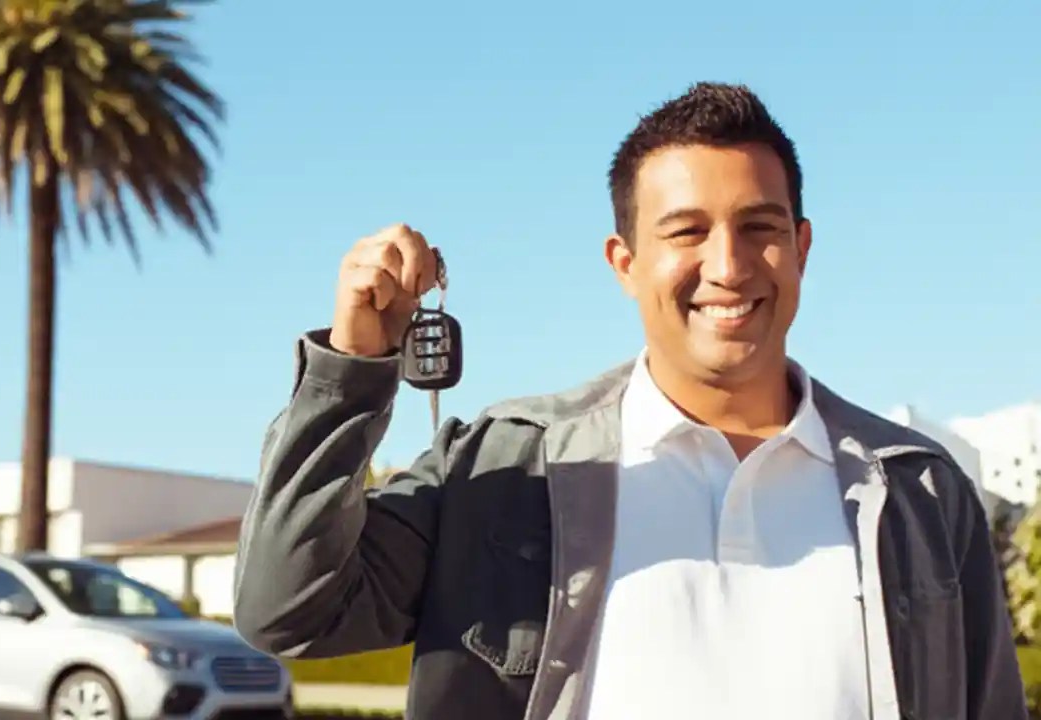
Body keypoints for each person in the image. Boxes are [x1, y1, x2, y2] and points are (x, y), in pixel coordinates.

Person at [232, 82, 1027, 719]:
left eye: (760, 226)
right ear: (625, 262)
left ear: (803, 246)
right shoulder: (503, 468)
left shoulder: (920, 492)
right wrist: (352, 369)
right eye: (686, 232)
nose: (729, 265)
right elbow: (288, 611)